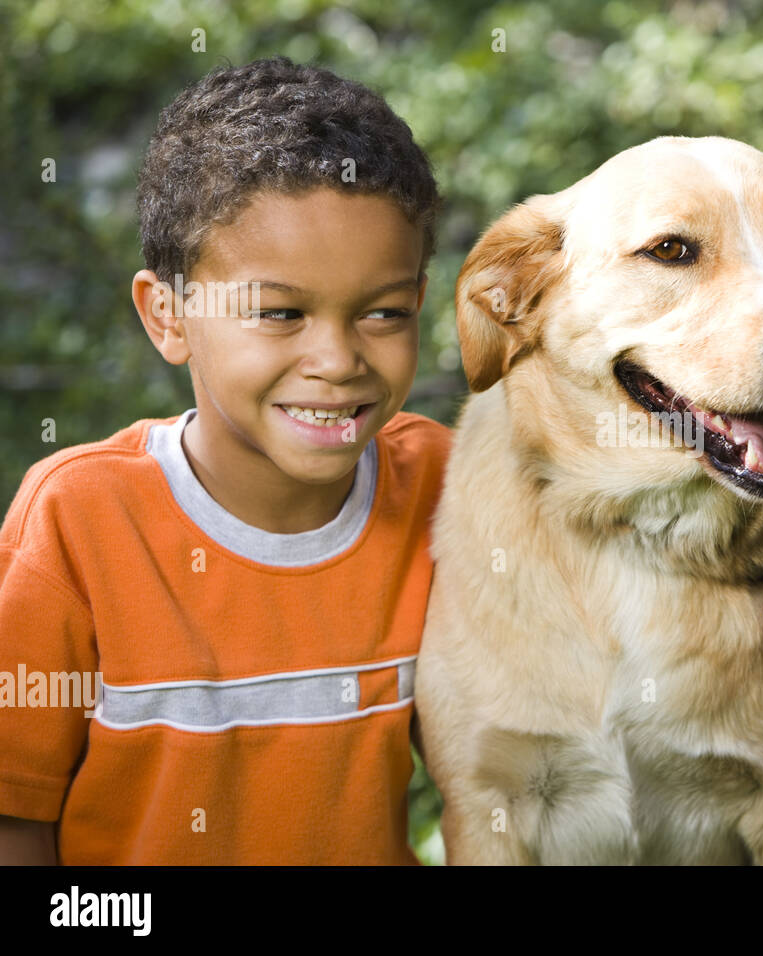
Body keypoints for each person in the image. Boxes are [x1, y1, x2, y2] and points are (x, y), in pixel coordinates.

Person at [0, 57, 451, 864]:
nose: (338, 358)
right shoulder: (78, 520)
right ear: (168, 317)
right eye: (279, 312)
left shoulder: (442, 490)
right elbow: (14, 822)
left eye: (385, 312)